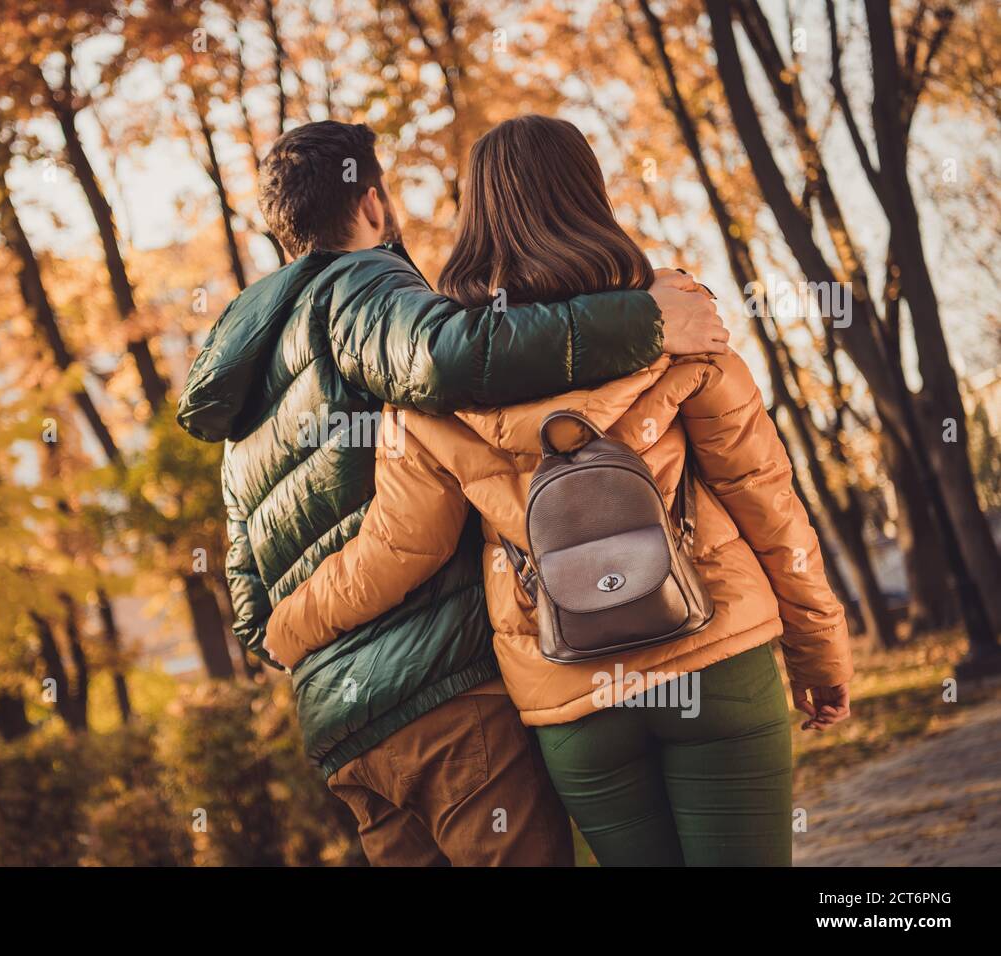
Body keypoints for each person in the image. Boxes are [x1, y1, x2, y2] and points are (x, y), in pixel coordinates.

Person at [263, 115, 853, 867]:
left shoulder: (433, 387)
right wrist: (819, 650)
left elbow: (396, 551)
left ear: (476, 217)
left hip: (572, 696)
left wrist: (288, 626)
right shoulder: (678, 322)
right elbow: (768, 503)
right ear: (589, 194)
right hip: (713, 657)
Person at [176, 119, 727, 866]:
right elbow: (449, 356)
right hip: (447, 701)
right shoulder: (357, 284)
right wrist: (648, 319)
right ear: (371, 202)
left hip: (344, 738)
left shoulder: (243, 393)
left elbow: (252, 612)